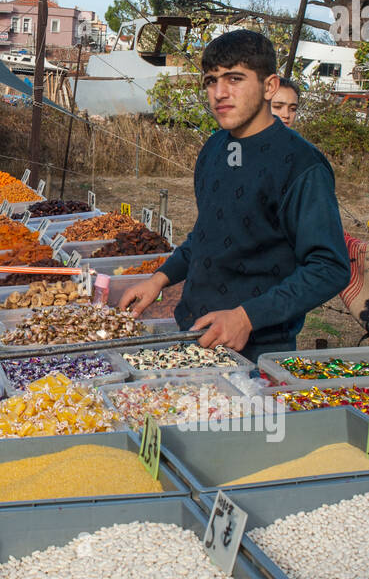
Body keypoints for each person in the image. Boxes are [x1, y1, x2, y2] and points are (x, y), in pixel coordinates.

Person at [119, 30, 351, 362]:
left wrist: (246, 317)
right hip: (194, 333)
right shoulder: (214, 148)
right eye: (212, 81)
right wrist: (160, 279)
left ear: (269, 86)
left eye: (235, 78)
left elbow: (329, 267)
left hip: (259, 351)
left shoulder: (302, 165)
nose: (219, 92)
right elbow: (207, 234)